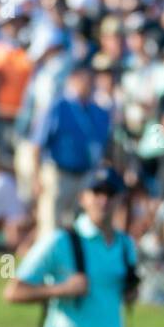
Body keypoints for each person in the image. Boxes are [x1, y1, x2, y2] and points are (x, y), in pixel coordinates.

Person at [5, 166, 138, 327]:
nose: (104, 200)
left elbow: (125, 295)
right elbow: (14, 291)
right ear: (83, 198)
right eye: (97, 192)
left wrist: (131, 292)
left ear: (120, 199)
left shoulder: (126, 245)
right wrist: (60, 290)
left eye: (110, 193)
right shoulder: (60, 240)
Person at [36, 62, 111, 234]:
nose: (89, 83)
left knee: (78, 226)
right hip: (58, 173)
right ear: (73, 79)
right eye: (85, 79)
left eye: (91, 79)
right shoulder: (58, 106)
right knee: (50, 225)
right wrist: (36, 176)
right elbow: (38, 143)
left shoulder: (98, 111)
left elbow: (102, 146)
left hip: (85, 175)